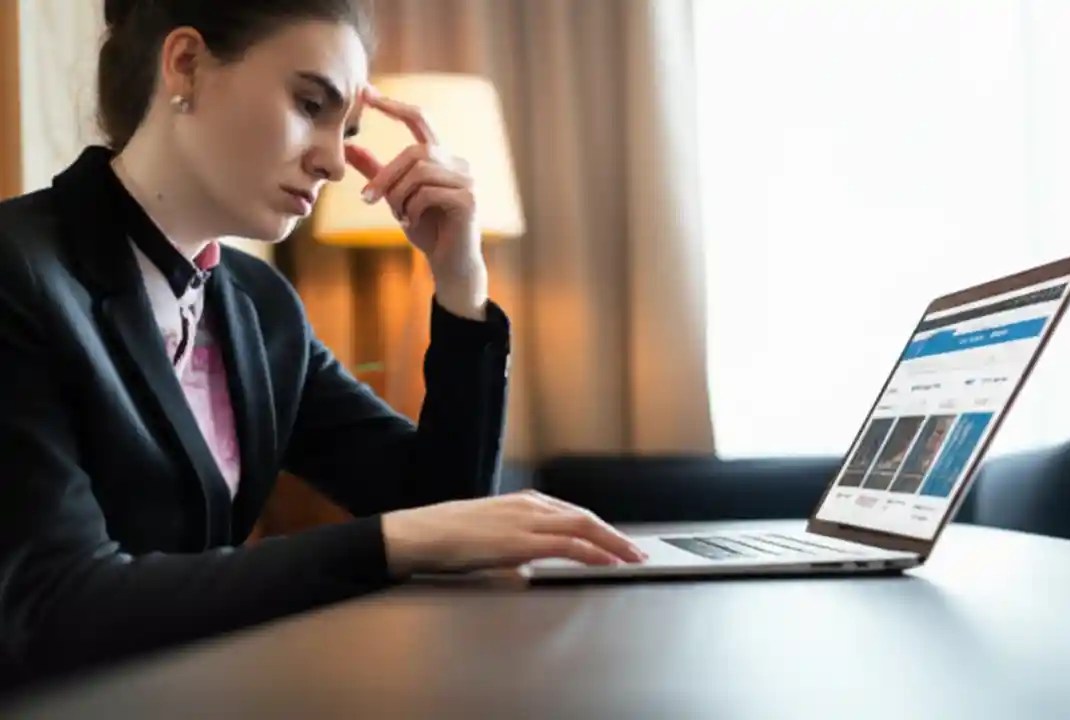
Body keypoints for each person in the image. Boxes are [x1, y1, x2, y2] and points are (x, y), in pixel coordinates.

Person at [0, 0, 645, 682]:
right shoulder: (18, 272)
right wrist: (390, 543)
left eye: (348, 129)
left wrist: (460, 279)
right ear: (185, 64)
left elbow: (443, 506)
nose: (336, 162)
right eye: (311, 104)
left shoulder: (260, 306)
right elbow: (50, 606)